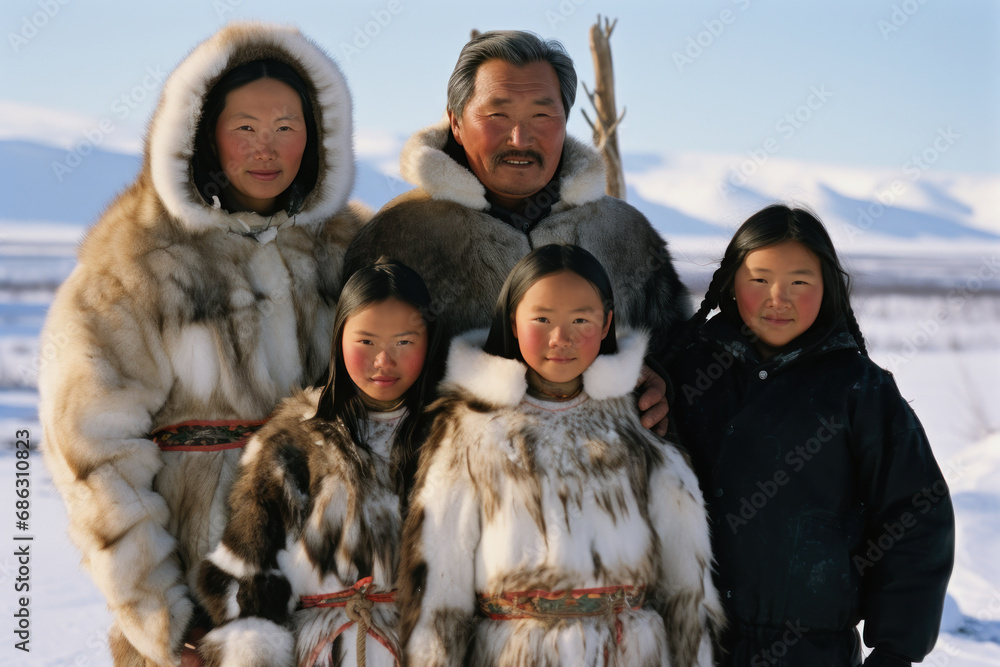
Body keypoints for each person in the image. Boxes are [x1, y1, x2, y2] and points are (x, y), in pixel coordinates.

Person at [38, 22, 367, 666]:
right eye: (244, 127)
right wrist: (160, 612)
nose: (266, 148)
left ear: (319, 134)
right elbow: (95, 456)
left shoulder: (351, 252)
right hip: (198, 590)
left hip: (331, 593)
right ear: (201, 132)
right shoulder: (133, 262)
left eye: (286, 126)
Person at [344, 30, 689, 436]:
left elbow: (682, 352)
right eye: (497, 115)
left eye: (542, 115)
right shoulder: (398, 234)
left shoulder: (623, 231)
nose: (520, 139)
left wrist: (663, 381)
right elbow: (343, 376)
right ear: (456, 122)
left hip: (600, 487)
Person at [399, 244, 723, 666]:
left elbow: (686, 580)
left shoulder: (640, 419)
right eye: (542, 319)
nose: (561, 338)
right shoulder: (470, 426)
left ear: (606, 322)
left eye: (581, 320)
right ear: (513, 320)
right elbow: (441, 582)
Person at [666, 205, 955, 666]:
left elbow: (916, 513)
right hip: (684, 645)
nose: (776, 297)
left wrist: (897, 647)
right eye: (758, 279)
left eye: (799, 282)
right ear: (729, 283)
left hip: (812, 650)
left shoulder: (859, 388)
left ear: (828, 289)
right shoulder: (683, 372)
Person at [196, 259, 442, 667]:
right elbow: (248, 570)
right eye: (366, 342)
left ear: (429, 341)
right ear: (339, 339)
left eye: (404, 341)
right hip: (321, 650)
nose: (384, 360)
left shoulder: (450, 437)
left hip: (421, 648)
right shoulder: (294, 440)